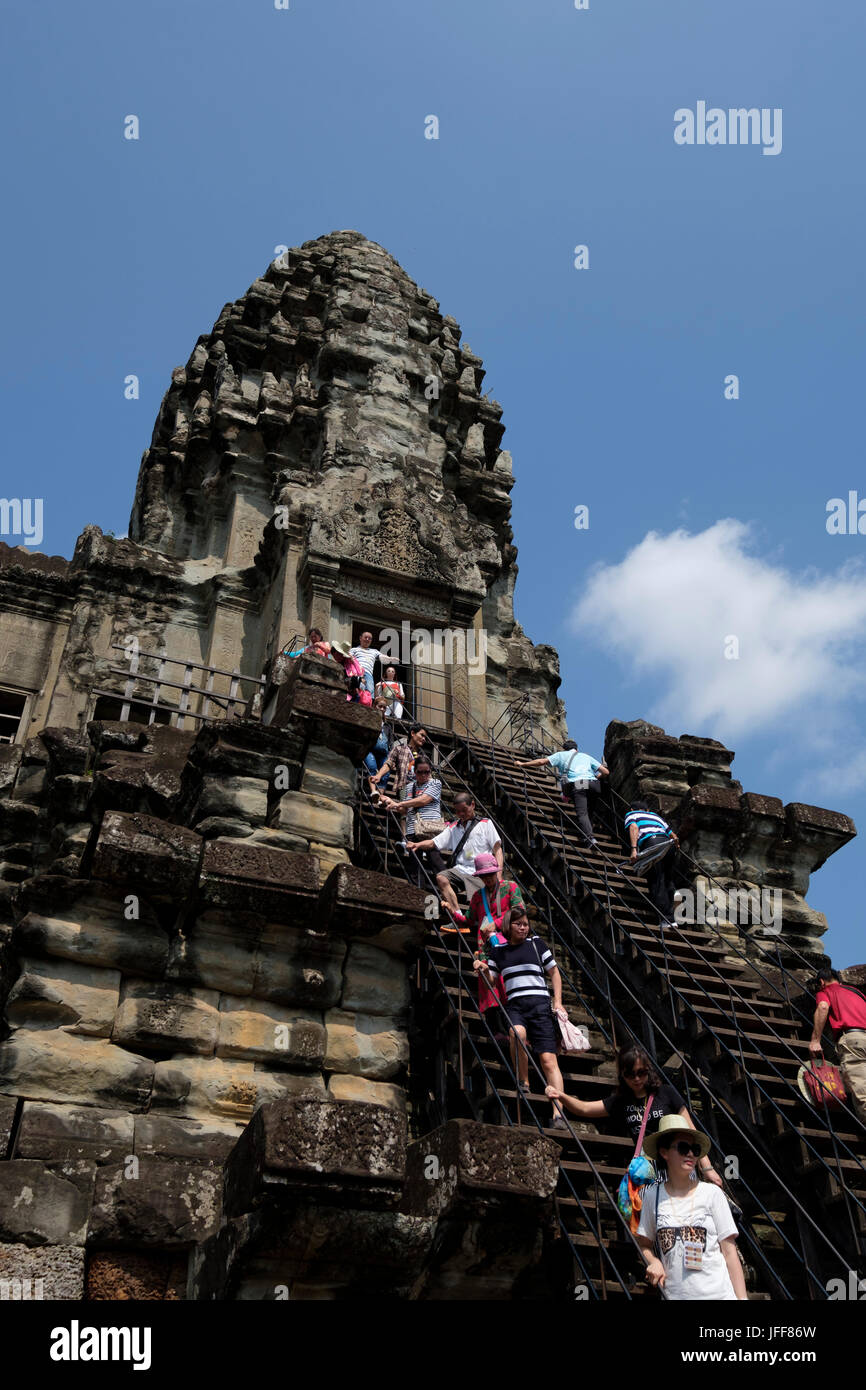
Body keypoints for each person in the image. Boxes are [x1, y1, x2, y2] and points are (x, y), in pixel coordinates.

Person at [545, 1044, 724, 1186]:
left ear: (648, 1070)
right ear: (622, 1075)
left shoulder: (666, 1094)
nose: (637, 1079)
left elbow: (691, 1130)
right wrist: (561, 1096)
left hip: (679, 1166)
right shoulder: (621, 1101)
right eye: (630, 1074)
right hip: (648, 1172)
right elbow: (584, 1108)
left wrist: (707, 1167)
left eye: (641, 1073)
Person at [473, 906, 569, 1130]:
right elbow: (493, 981)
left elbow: (554, 973)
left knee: (548, 1060)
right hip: (516, 1006)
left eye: (525, 923)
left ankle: (558, 1114)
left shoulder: (537, 945)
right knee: (517, 1033)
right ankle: (523, 1080)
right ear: (508, 926)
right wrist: (483, 968)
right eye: (519, 924)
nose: (524, 927)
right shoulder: (499, 952)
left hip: (540, 1006)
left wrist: (558, 1001)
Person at [637, 1115, 747, 1300]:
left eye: (695, 1149)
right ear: (664, 1152)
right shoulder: (652, 1196)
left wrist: (742, 1299)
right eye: (683, 1148)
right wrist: (653, 1261)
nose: (690, 1154)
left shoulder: (712, 1194)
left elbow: (729, 1252)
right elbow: (644, 1244)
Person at [409, 792, 503, 920]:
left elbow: (497, 850)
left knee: (482, 908)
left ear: (473, 805)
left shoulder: (486, 824)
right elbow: (433, 842)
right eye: (458, 812)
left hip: (481, 872)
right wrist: (418, 845)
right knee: (441, 877)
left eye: (464, 810)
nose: (461, 814)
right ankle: (458, 916)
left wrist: (499, 874)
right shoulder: (453, 827)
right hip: (460, 870)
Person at [516, 739, 608, 848]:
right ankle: (588, 830)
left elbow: (541, 762)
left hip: (579, 784)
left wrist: (522, 764)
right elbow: (606, 772)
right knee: (588, 812)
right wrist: (595, 778)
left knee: (582, 813)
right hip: (594, 785)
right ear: (576, 749)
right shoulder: (586, 756)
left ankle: (590, 838)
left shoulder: (560, 755)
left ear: (565, 749)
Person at [808, 964, 866, 1125]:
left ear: (821, 982)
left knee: (861, 1090)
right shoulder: (856, 992)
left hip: (853, 1039)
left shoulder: (825, 991)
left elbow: (823, 1007)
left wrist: (815, 1040)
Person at [468, 854, 523, 1024]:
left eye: (490, 874)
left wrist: (497, 924)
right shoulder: (478, 896)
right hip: (486, 948)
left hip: (508, 944)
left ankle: (515, 1028)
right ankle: (497, 1029)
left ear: (497, 872)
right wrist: (452, 912)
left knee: (509, 983)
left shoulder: (511, 887)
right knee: (489, 985)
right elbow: (469, 919)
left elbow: (519, 910)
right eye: (484, 876)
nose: (488, 879)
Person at [380, 757, 443, 885]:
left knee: (435, 861)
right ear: (415, 772)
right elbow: (405, 810)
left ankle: (447, 887)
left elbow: (424, 800)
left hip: (429, 827)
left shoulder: (435, 783)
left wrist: (400, 803)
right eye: (420, 772)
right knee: (415, 865)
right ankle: (419, 891)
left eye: (427, 772)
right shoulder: (410, 787)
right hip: (412, 828)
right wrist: (392, 804)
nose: (424, 775)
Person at [624, 800, 680, 926]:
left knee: (656, 880)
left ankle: (667, 919)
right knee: (667, 879)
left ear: (632, 809)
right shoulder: (656, 816)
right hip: (668, 844)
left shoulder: (631, 815)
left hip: (652, 844)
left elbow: (633, 827)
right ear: (647, 810)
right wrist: (675, 846)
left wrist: (633, 849)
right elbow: (673, 836)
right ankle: (674, 897)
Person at [369, 723, 428, 803]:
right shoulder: (399, 749)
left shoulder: (423, 757)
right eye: (422, 735)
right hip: (405, 787)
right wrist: (379, 775)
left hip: (421, 789)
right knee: (407, 812)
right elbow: (388, 764)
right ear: (413, 733)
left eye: (425, 737)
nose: (424, 739)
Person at [364, 696, 392, 783]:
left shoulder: (387, 726)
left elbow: (390, 742)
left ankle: (381, 795)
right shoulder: (368, 720)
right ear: (374, 706)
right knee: (372, 767)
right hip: (370, 750)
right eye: (380, 706)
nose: (382, 709)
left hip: (383, 753)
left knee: (386, 773)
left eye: (384, 707)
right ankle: (373, 792)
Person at [350, 630, 383, 698]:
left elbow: (383, 658)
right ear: (360, 638)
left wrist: (391, 658)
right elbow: (347, 658)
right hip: (356, 672)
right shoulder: (354, 649)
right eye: (366, 637)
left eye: (370, 638)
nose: (367, 639)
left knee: (369, 692)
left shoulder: (374, 651)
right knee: (356, 691)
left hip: (368, 674)